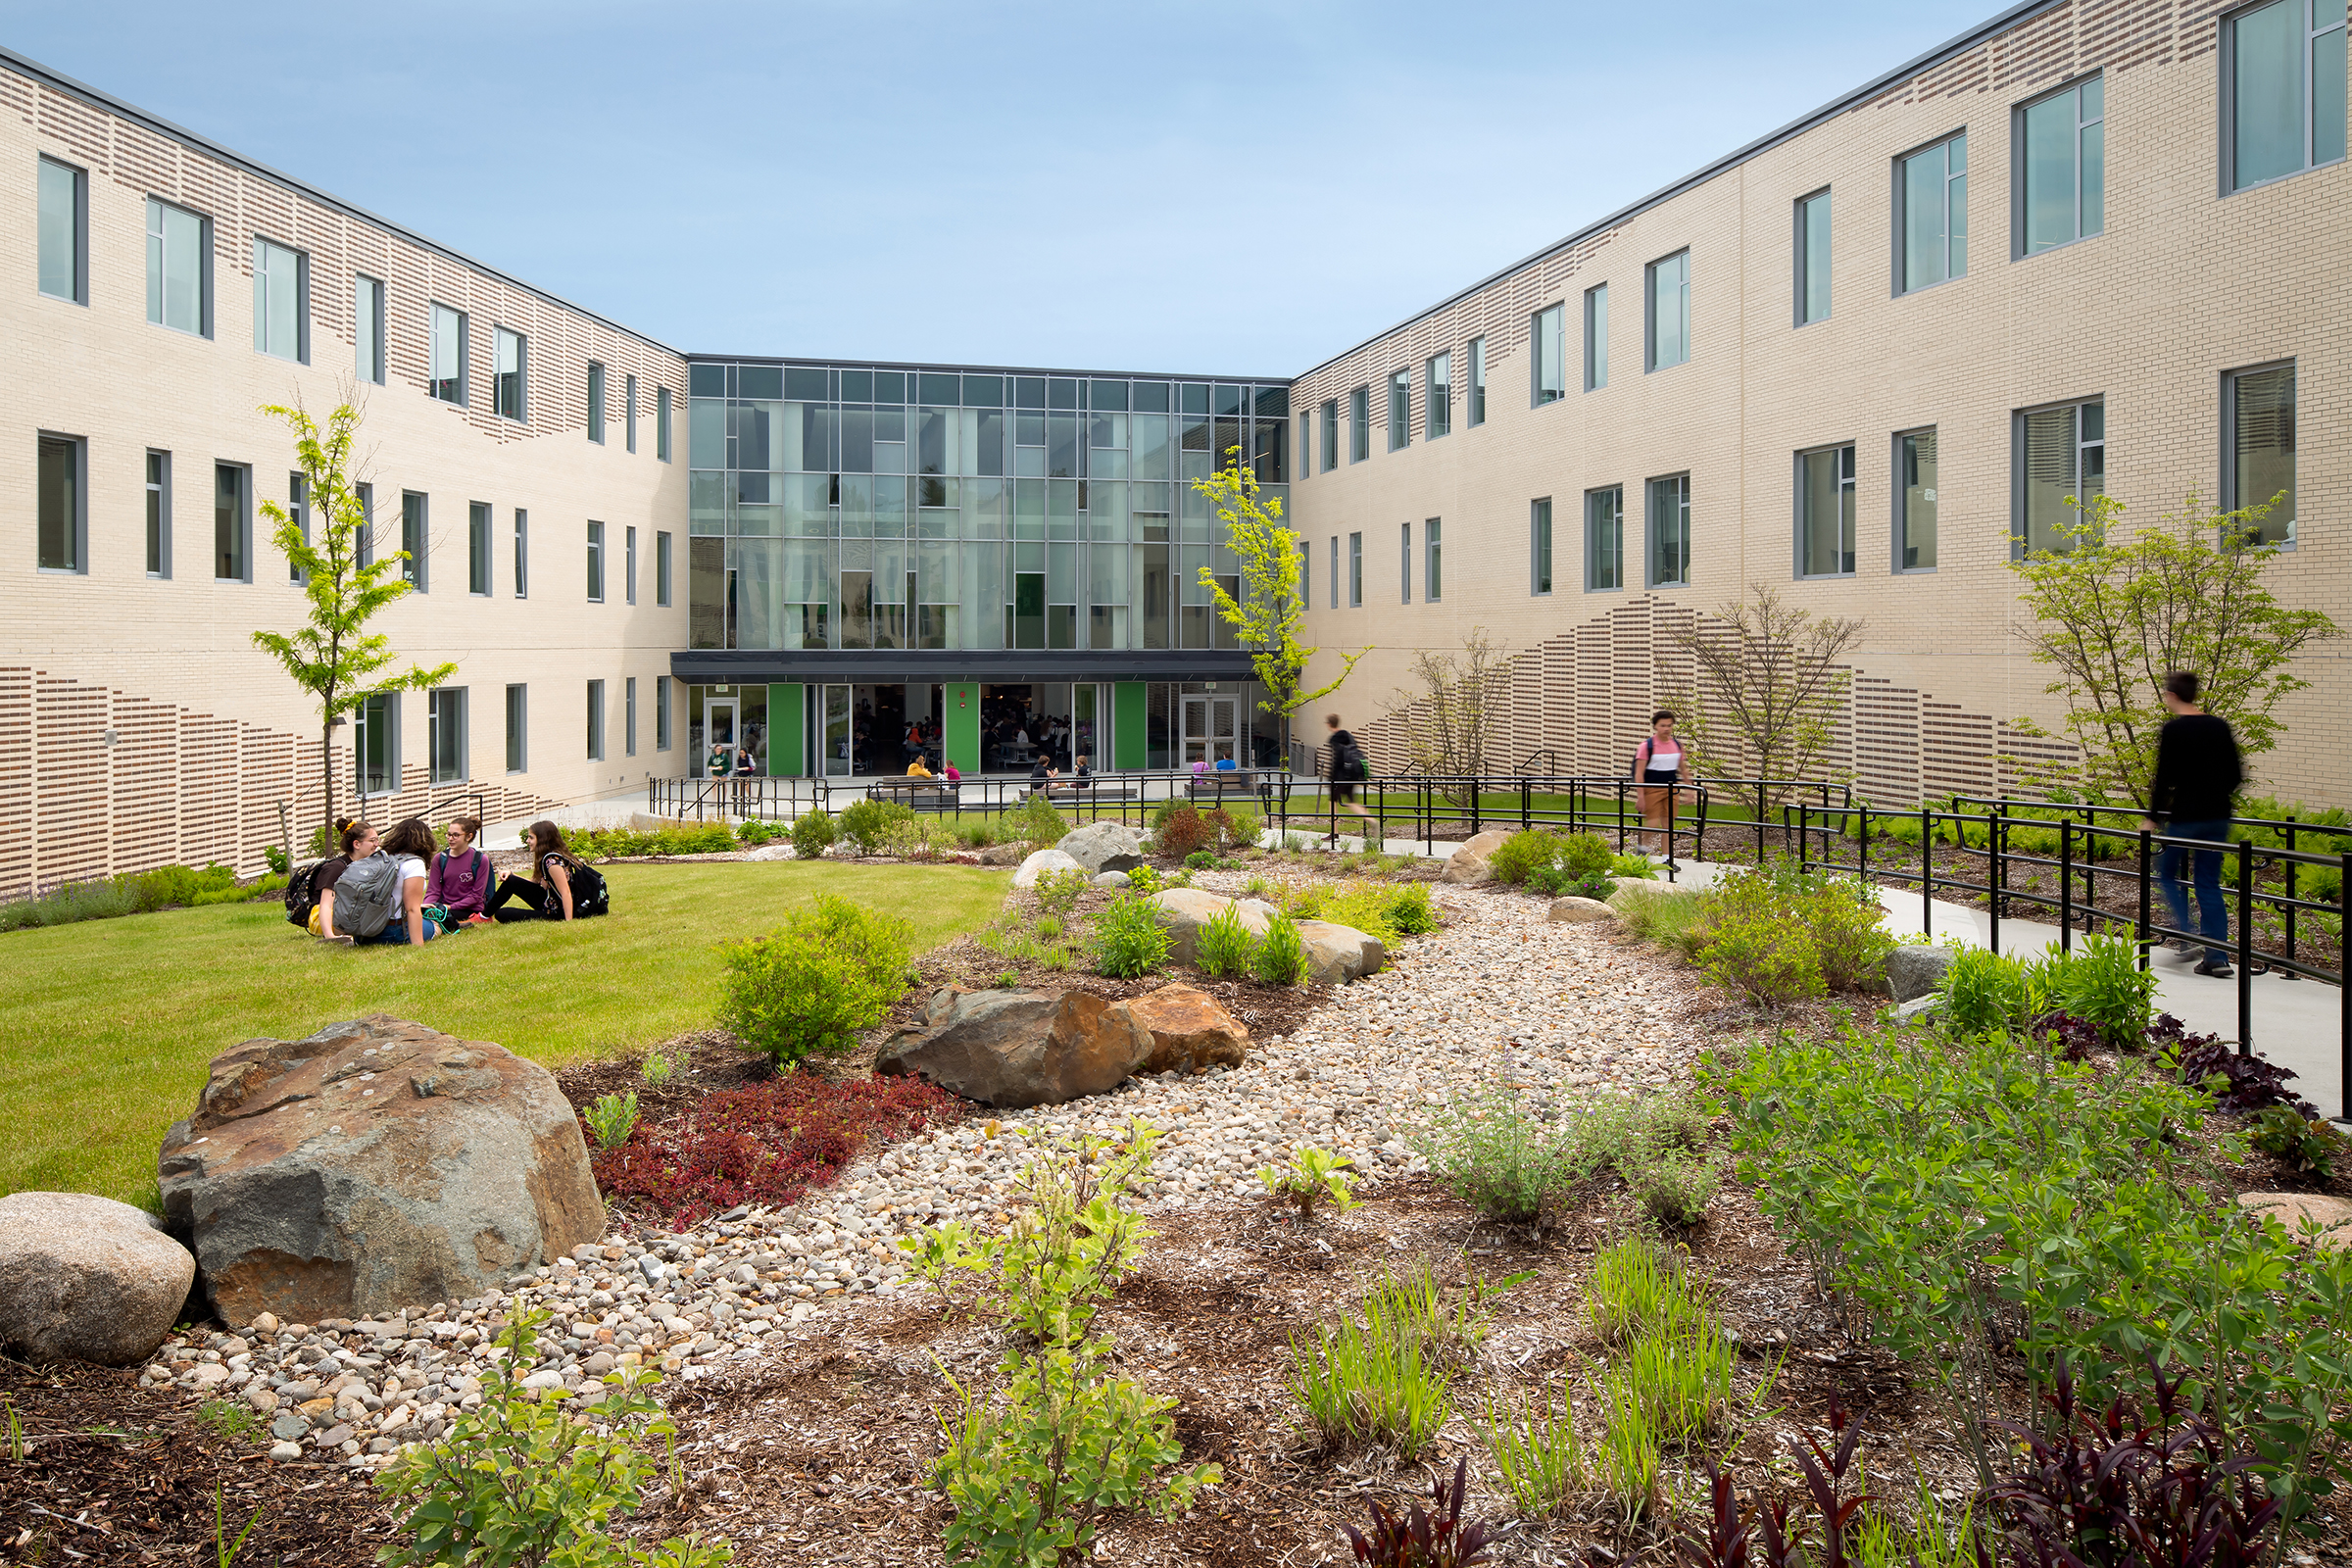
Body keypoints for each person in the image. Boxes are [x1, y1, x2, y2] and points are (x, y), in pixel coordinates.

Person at [2140, 670, 2243, 977]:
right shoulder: (2219, 726)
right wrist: (2214, 793)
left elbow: (2164, 780)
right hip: (2218, 817)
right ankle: (2217, 957)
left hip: (2186, 818)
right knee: (2208, 883)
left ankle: (2188, 933)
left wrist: (2152, 818)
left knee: (2167, 873)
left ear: (2172, 696)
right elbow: (2236, 775)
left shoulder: (2174, 731)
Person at [484, 819, 610, 923]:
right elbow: (532, 883)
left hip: (557, 912)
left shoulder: (552, 862)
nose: (527, 841)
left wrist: (569, 922)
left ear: (542, 839)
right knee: (511, 881)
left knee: (502, 914)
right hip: (550, 901)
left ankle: (484, 916)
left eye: (531, 837)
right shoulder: (550, 856)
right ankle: (484, 916)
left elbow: (565, 892)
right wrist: (512, 876)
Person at [369, 817, 442, 945]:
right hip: (392, 931)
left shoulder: (379, 858)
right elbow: (412, 909)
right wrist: (418, 946)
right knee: (436, 925)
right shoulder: (414, 863)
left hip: (366, 931)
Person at [307, 818, 371, 942]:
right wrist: (330, 936)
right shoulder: (336, 868)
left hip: (346, 913)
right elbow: (325, 904)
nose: (376, 845)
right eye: (372, 840)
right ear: (356, 844)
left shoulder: (366, 866)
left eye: (377, 840)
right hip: (321, 919)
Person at [425, 816, 495, 928]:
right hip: (444, 907)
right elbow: (433, 890)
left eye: (455, 835)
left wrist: (450, 907)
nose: (450, 838)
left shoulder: (480, 860)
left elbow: (476, 896)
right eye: (448, 834)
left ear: (469, 836)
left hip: (468, 909)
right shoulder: (440, 858)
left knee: (441, 919)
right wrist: (426, 907)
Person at [1632, 710, 1685, 854]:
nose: (1666, 729)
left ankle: (1667, 859)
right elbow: (1639, 773)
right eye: (1663, 725)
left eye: (1669, 725)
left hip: (1671, 789)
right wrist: (1641, 797)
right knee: (1653, 823)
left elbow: (1683, 768)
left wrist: (1691, 789)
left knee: (1668, 826)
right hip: (1652, 788)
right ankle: (1642, 846)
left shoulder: (1677, 745)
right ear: (1655, 726)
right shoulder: (1646, 746)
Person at [1323, 712, 1374, 845]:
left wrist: (1331, 777)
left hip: (1341, 776)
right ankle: (1371, 820)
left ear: (1329, 724)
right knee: (1351, 801)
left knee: (1333, 801)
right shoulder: (1348, 736)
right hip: (1353, 774)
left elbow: (1338, 759)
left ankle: (1334, 833)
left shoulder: (1335, 739)